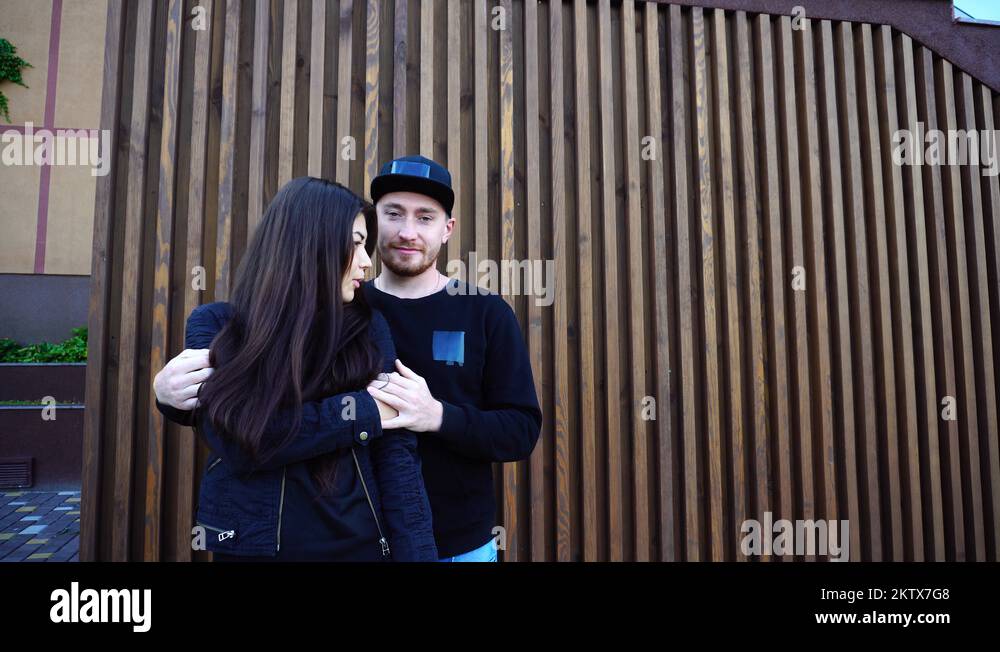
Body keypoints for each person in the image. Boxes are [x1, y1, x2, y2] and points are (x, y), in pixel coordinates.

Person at [156, 155, 542, 562]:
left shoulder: (484, 312)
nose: (407, 231)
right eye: (394, 214)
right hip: (361, 536)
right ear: (374, 221)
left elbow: (520, 429)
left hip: (458, 539)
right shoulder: (348, 309)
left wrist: (438, 415)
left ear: (447, 230)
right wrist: (170, 396)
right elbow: (245, 407)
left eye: (425, 217)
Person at [157, 176, 437, 561]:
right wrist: (362, 412)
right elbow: (242, 439)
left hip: (362, 551)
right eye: (355, 243)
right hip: (253, 552)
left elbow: (397, 460)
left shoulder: (370, 329)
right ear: (311, 244)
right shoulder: (219, 327)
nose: (368, 261)